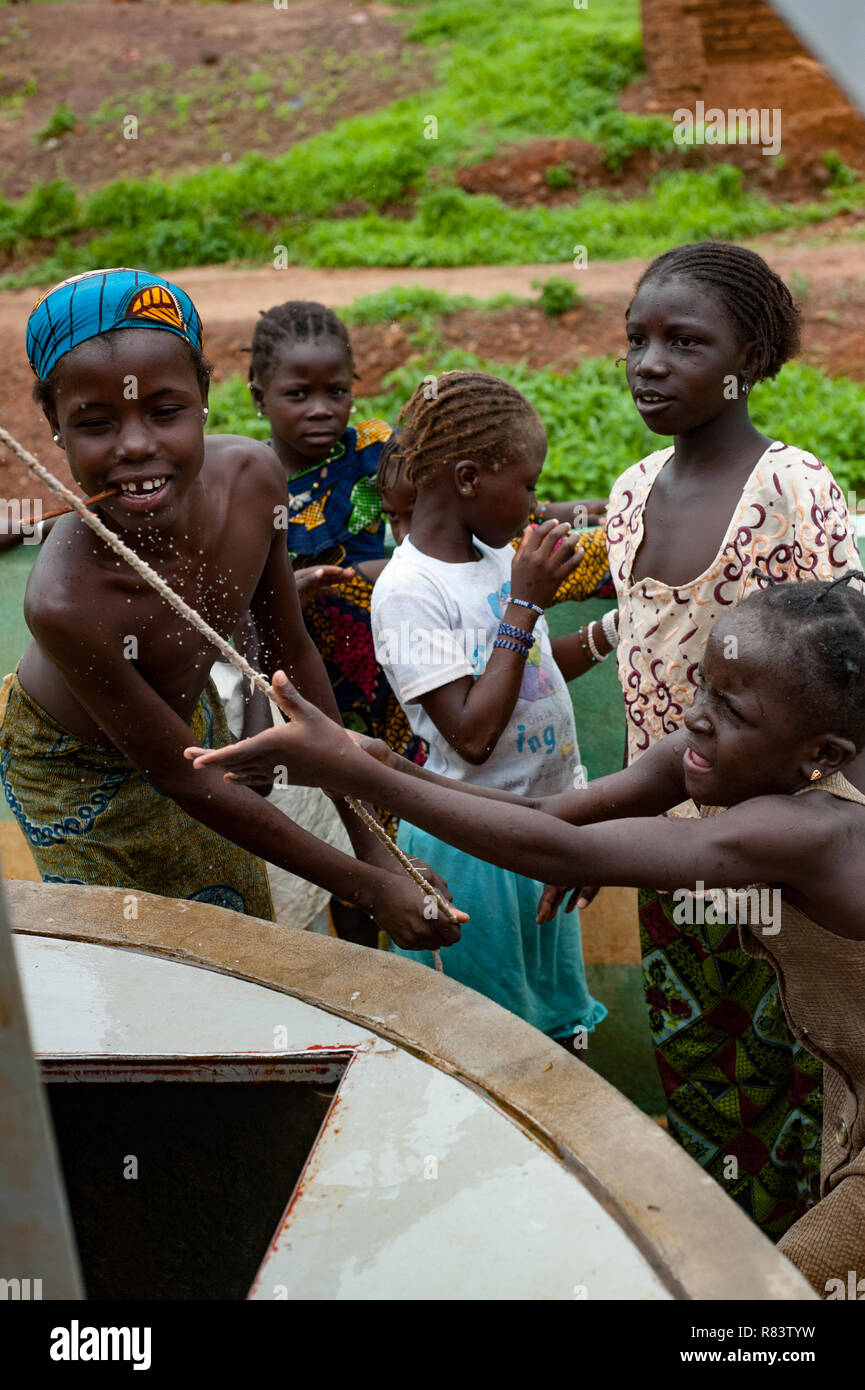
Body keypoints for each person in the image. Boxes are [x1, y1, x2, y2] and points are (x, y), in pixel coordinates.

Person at [185, 575, 865, 1299]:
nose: (695, 719)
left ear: (820, 754)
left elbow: (563, 854)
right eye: (701, 686)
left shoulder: (811, 831)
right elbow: (554, 816)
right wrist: (378, 763)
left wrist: (354, 773)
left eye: (729, 710)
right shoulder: (723, 754)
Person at [0, 268, 460, 952]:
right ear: (55, 429)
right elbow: (183, 778)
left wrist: (375, 848)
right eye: (95, 424)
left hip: (185, 732)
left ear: (205, 399)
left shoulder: (251, 481)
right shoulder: (66, 600)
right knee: (133, 966)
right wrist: (367, 888)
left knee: (238, 941)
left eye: (164, 411)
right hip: (76, 774)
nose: (133, 446)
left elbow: (290, 655)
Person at [604, 240, 863, 1234]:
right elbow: (643, 662)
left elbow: (841, 665)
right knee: (698, 1078)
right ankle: (723, 1270)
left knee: (794, 1079)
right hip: (668, 849)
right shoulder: (630, 492)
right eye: (636, 339)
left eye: (682, 341)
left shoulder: (788, 487)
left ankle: (794, 1284)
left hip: (775, 850)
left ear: (745, 357)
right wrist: (610, 825)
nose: (649, 362)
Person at [372, 370, 610, 1049]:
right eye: (529, 484)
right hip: (470, 848)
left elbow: (525, 676)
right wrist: (525, 601)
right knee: (486, 1046)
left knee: (553, 1033)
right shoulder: (408, 590)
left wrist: (608, 634)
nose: (536, 503)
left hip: (538, 831)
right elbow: (473, 733)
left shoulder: (492, 556)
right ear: (469, 478)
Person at [247, 300, 425, 946]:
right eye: (298, 394)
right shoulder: (248, 479)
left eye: (337, 391)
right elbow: (240, 597)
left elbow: (427, 530)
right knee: (337, 834)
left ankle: (387, 964)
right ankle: (352, 974)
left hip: (388, 672)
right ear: (259, 396)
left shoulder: (374, 451)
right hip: (305, 689)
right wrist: (294, 590)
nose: (322, 409)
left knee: (395, 817)